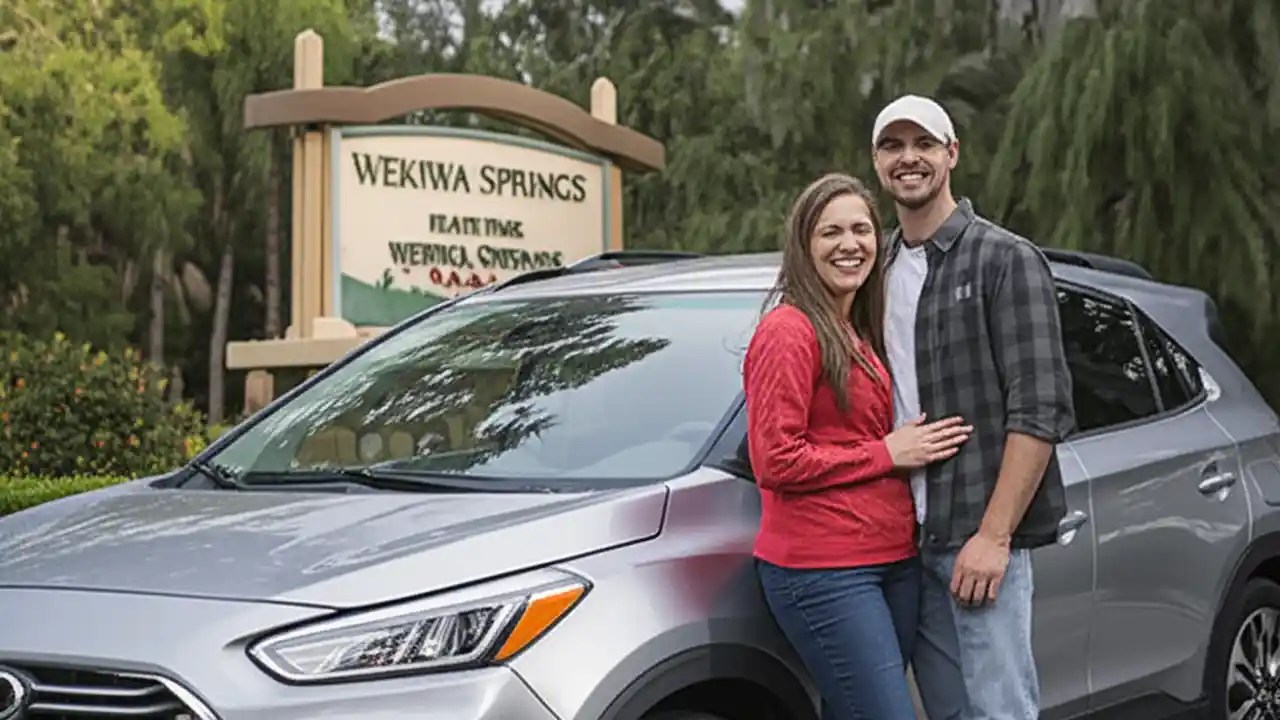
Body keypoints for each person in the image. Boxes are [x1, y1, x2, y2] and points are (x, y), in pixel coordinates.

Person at [871, 94, 1077, 719]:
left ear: (952, 154)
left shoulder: (1005, 259)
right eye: (892, 146)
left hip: (976, 541)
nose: (909, 159)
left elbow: (1039, 408)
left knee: (1000, 711)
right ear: (877, 162)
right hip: (903, 538)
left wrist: (994, 537)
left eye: (924, 144)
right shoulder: (873, 265)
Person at [743, 172, 973, 720]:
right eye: (831, 233)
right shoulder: (788, 331)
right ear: (804, 245)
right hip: (825, 571)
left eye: (862, 230)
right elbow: (774, 460)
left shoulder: (856, 330)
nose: (850, 245)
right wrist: (887, 453)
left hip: (892, 560)